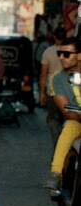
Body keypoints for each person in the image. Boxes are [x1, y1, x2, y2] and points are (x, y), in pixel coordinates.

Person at [44, 37, 81, 197]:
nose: (61, 57)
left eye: (66, 54)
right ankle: (55, 174)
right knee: (69, 127)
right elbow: (67, 112)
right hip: (77, 120)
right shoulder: (58, 79)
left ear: (79, 55)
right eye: (59, 53)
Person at [39, 28, 66, 151]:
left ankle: (58, 145)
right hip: (68, 91)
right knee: (66, 119)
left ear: (54, 37)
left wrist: (41, 94)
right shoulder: (72, 50)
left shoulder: (48, 52)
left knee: (53, 119)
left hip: (52, 91)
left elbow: (43, 75)